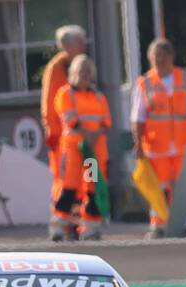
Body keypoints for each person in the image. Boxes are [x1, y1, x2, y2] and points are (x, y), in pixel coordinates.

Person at [132, 38, 186, 238]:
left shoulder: (185, 77)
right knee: (159, 187)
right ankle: (158, 225)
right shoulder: (145, 83)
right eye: (155, 57)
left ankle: (183, 224)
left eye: (162, 56)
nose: (158, 61)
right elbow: (137, 117)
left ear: (171, 57)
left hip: (185, 144)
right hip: (156, 146)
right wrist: (138, 143)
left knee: (184, 186)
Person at [51, 54, 110, 241]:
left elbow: (106, 122)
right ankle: (59, 228)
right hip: (74, 151)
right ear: (73, 73)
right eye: (80, 71)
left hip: (92, 153)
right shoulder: (65, 94)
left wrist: (94, 135)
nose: (84, 75)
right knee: (69, 187)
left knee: (92, 187)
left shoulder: (99, 97)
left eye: (87, 72)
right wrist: (89, 134)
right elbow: (70, 119)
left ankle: (90, 228)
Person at [42, 25, 87, 216]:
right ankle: (62, 220)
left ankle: (78, 219)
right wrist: (52, 132)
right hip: (63, 137)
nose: (84, 46)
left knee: (83, 180)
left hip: (82, 137)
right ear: (68, 45)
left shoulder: (80, 66)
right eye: (80, 42)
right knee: (64, 179)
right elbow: (50, 103)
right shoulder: (57, 68)